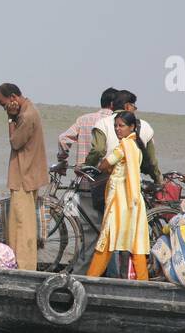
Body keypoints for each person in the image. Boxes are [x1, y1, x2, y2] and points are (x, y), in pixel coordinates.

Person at [57, 88, 118, 271]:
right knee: (108, 231)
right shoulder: (117, 123)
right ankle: (101, 273)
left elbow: (63, 138)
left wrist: (63, 159)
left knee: (88, 233)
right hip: (109, 186)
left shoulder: (84, 120)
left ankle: (83, 273)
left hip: (85, 184)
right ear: (115, 105)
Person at [86, 111, 151, 280]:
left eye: (121, 126)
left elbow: (105, 164)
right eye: (115, 125)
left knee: (106, 241)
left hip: (120, 203)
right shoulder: (136, 147)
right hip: (134, 202)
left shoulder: (124, 146)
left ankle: (89, 279)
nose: (117, 129)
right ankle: (144, 283)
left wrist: (92, 167)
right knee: (136, 245)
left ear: (132, 127)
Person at [0, 83, 48, 270]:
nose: (4, 108)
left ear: (13, 99)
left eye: (4, 104)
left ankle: (25, 267)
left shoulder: (26, 116)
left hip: (24, 178)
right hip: (27, 175)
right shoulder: (28, 110)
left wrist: (10, 119)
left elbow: (15, 142)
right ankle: (19, 263)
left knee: (22, 226)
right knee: (20, 223)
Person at [85, 90, 162, 186]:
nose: (135, 110)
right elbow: (152, 161)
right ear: (128, 106)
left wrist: (87, 167)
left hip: (106, 182)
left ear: (112, 104)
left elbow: (98, 150)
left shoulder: (102, 124)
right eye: (134, 107)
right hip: (134, 183)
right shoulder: (145, 126)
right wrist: (158, 180)